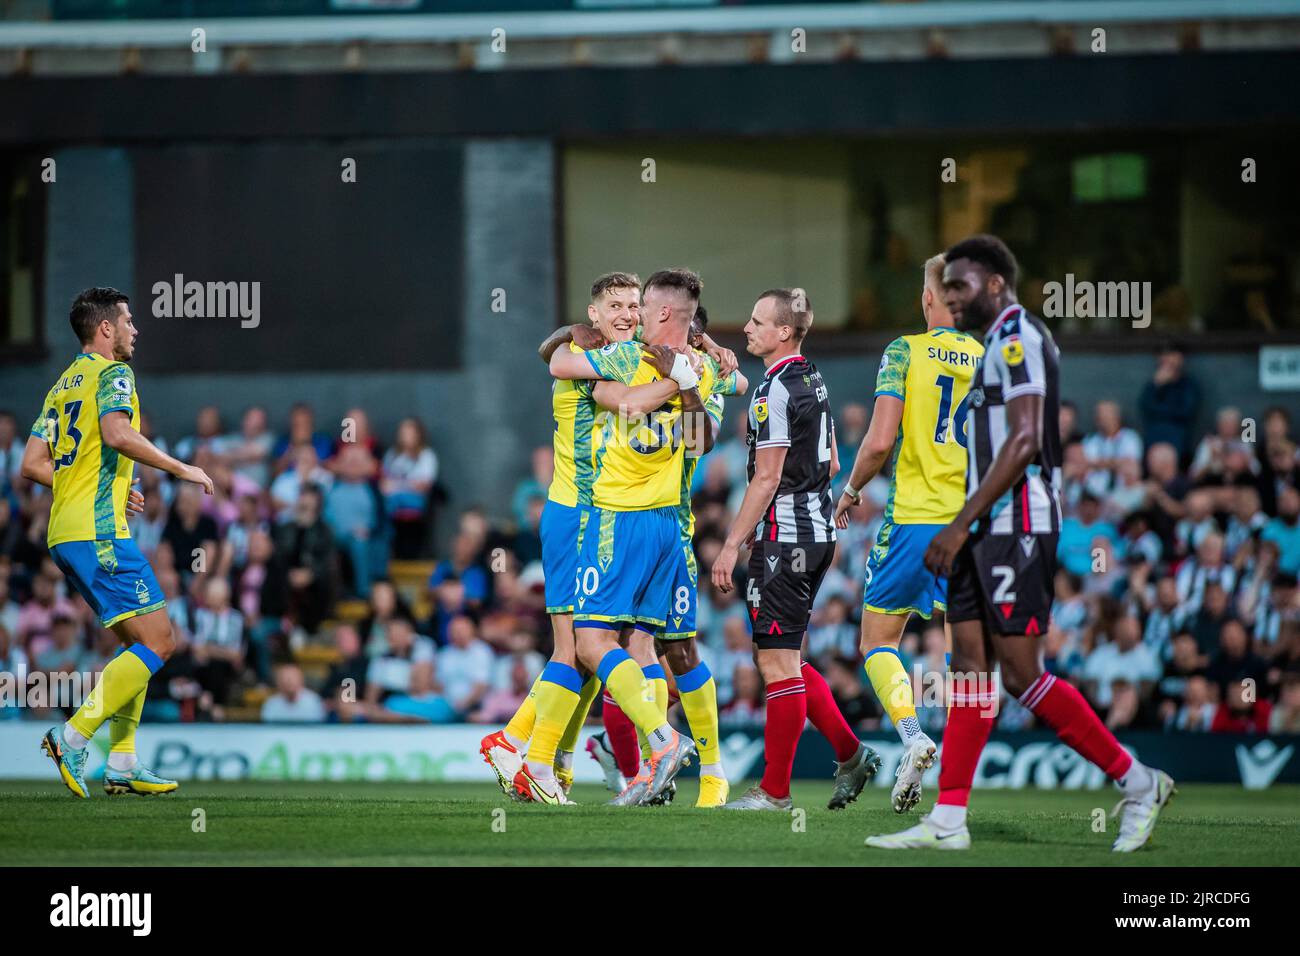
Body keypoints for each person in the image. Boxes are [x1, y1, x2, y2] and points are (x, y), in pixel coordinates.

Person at [866, 235, 1173, 853]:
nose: (953, 296)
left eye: (963, 286)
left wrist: (960, 522)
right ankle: (949, 822)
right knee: (971, 671)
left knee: (1021, 674)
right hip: (980, 526)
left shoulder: (1017, 336)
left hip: (1018, 524)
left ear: (997, 285)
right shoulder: (982, 348)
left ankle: (1138, 783)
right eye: (946, 287)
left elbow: (1028, 437)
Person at [480, 271, 699, 806]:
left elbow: (554, 350)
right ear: (594, 315)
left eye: (633, 304)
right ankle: (535, 755)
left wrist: (703, 351)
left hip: (593, 516)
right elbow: (578, 372)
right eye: (615, 306)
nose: (627, 313)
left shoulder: (617, 353)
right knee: (577, 646)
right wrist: (683, 378)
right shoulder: (604, 359)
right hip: (578, 515)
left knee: (587, 654)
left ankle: (528, 751)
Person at [22, 287, 213, 798]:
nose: (135, 328)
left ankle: (123, 764)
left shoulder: (62, 385)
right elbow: (117, 434)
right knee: (162, 642)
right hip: (99, 532)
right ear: (105, 328)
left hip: (66, 532)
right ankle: (71, 735)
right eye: (128, 320)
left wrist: (99, 486)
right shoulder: (114, 374)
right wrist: (181, 469)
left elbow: (32, 464)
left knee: (138, 644)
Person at [711, 288, 881, 811]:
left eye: (758, 322)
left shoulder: (773, 391)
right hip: (817, 532)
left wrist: (729, 545)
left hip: (784, 538)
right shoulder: (813, 377)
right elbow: (830, 465)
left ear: (783, 332)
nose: (747, 329)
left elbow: (765, 479)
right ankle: (852, 755)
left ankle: (775, 793)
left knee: (777, 668)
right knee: (786, 658)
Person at [832, 252, 984, 813]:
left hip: (916, 519)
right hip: (972, 523)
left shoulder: (905, 351)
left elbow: (877, 441)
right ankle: (954, 792)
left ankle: (914, 736)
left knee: (877, 641)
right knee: (966, 654)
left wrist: (849, 492)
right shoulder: (988, 357)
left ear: (926, 298)